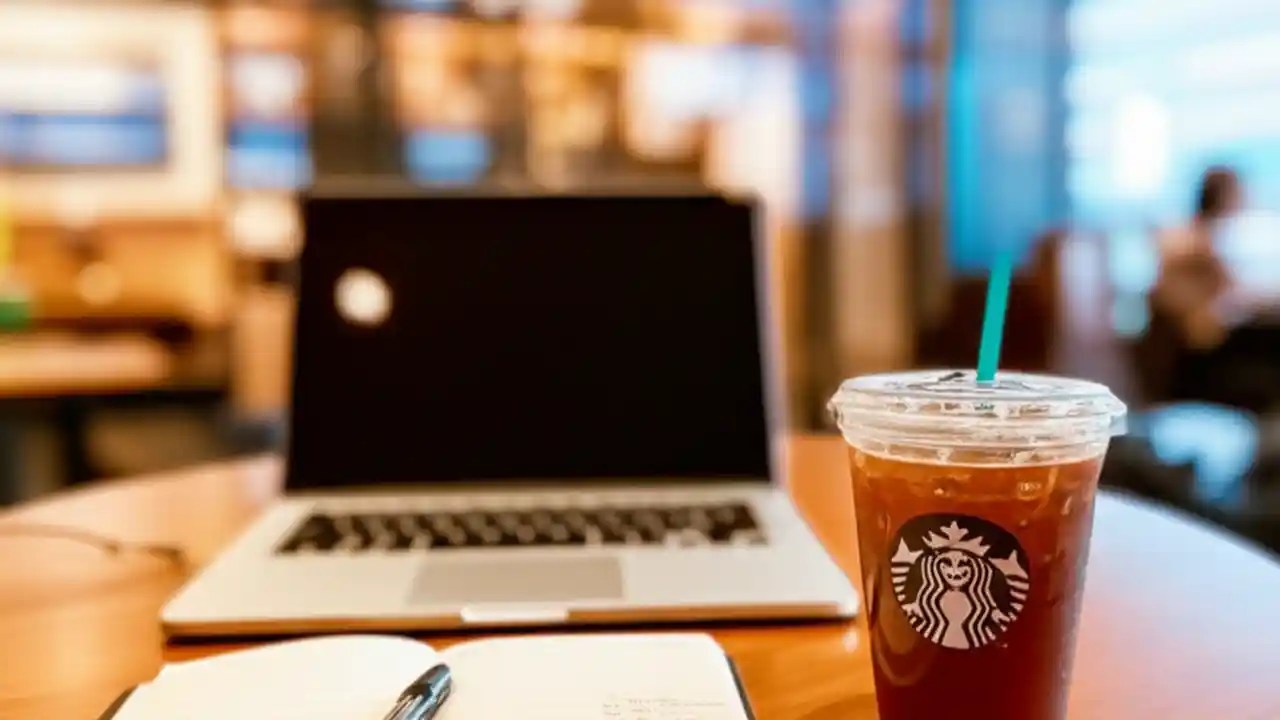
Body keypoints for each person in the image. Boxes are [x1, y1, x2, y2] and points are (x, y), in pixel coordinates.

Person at [1144, 167, 1280, 411]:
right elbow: (1201, 316)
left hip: (1206, 347)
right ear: (1227, 198)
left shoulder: (1197, 238)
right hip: (1197, 361)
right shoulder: (1191, 242)